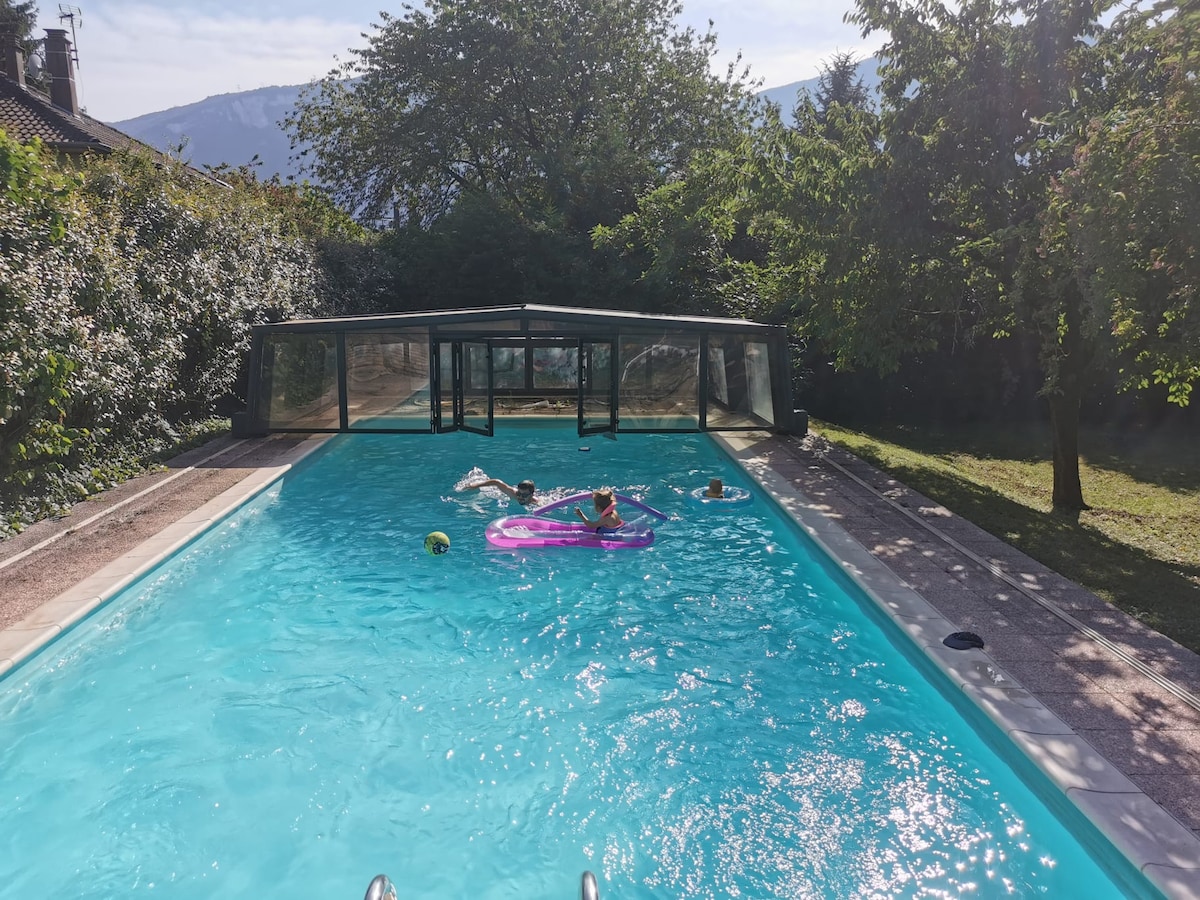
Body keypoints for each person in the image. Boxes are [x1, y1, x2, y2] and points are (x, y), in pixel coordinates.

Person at [466, 477, 537, 506]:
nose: (520, 497)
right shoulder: (513, 493)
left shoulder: (536, 502)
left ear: (531, 494)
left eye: (524, 495)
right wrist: (476, 485)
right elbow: (496, 482)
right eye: (519, 493)